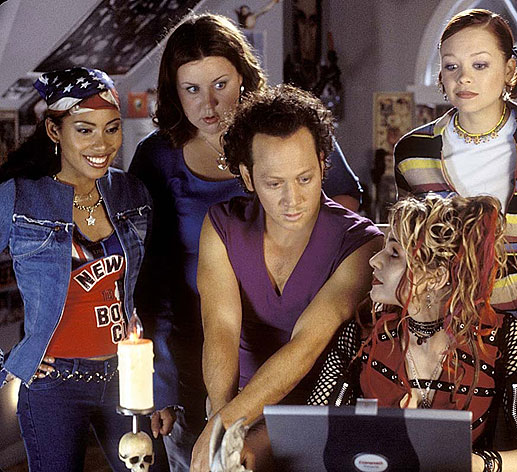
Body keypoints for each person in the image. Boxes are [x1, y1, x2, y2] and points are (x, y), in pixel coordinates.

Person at [128, 13, 363, 471]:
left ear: (244, 76)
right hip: (195, 348)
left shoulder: (289, 134)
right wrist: (161, 385)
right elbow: (150, 281)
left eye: (221, 84)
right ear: (174, 91)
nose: (210, 104)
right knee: (205, 456)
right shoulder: (158, 159)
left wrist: (294, 275)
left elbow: (341, 211)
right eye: (191, 89)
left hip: (300, 337)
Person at [189, 84, 383, 471]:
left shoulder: (361, 243)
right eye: (274, 183)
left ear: (323, 165)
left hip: (320, 408)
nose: (292, 200)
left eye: (304, 179)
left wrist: (225, 425)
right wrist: (223, 425)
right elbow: (220, 328)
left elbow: (307, 344)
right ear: (248, 176)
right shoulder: (223, 225)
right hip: (238, 402)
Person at [309, 194, 517, 471]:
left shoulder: (500, 337)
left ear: (436, 277)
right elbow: (309, 434)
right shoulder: (362, 334)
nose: (374, 261)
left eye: (394, 254)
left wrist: (474, 463)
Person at [0, 67, 170, 471]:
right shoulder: (20, 196)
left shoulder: (132, 192)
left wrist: (161, 384)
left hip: (125, 378)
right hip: (53, 385)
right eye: (85, 130)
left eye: (112, 129)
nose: (102, 144)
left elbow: (154, 294)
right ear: (54, 131)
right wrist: (6, 361)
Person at [393, 9, 517, 366]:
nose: (464, 78)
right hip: (463, 338)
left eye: (480, 65)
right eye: (452, 66)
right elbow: (414, 252)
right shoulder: (413, 153)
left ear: (509, 70)